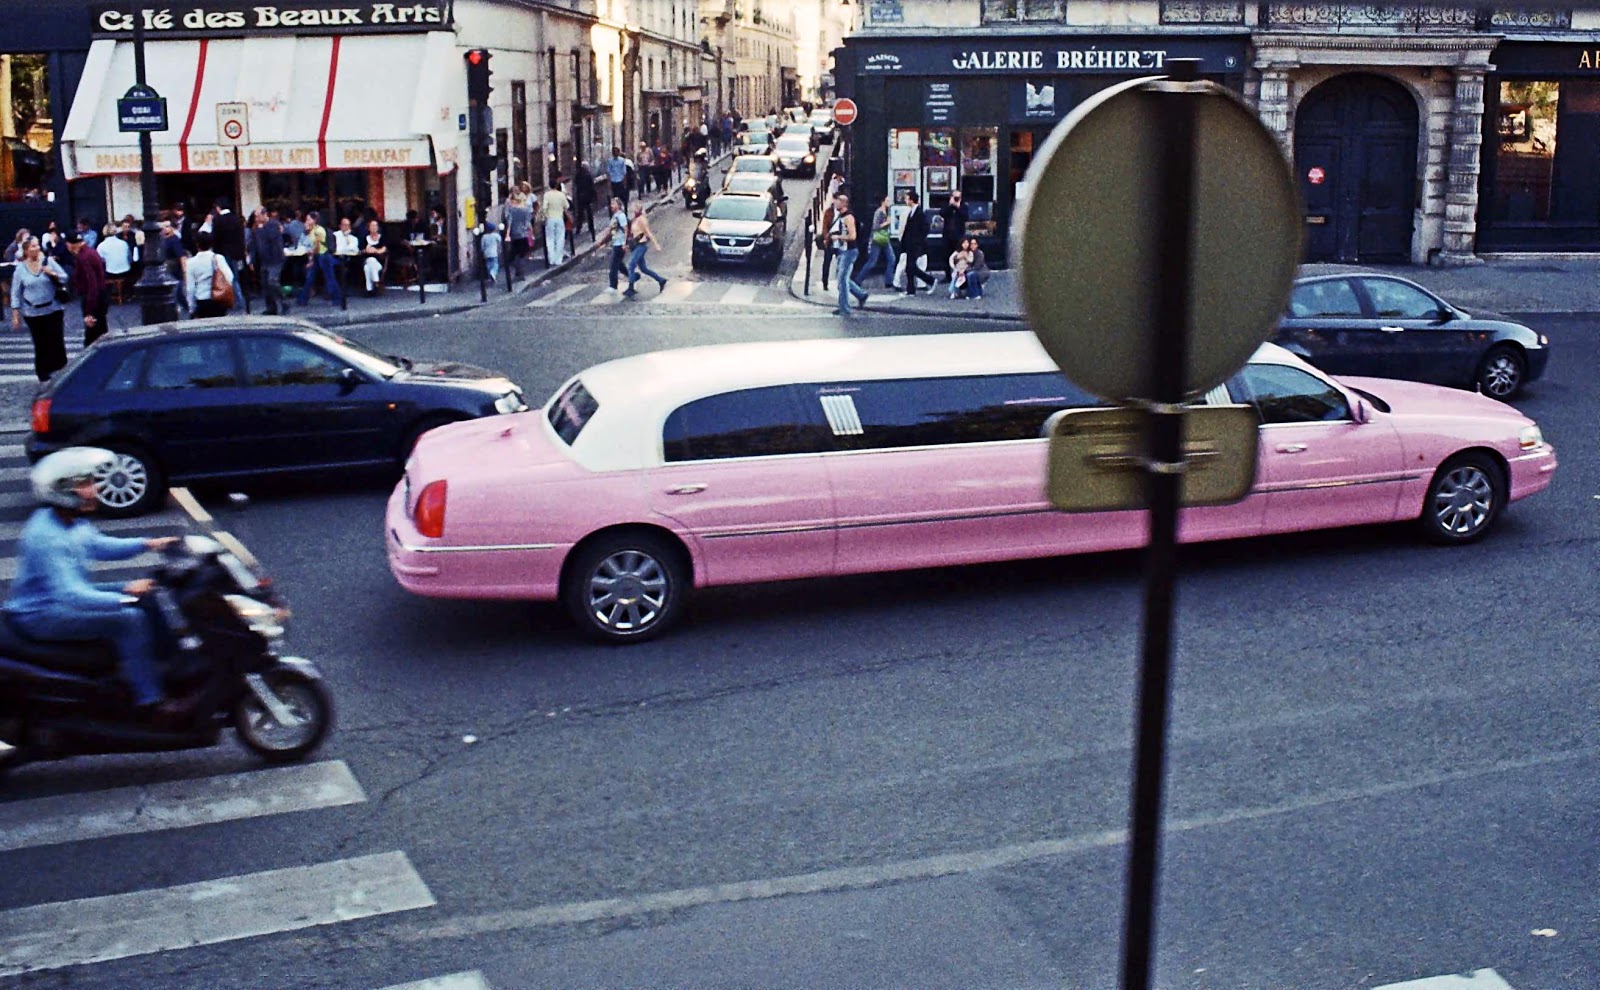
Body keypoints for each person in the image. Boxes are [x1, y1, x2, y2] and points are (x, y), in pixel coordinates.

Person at [5, 447, 182, 721]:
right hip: (42, 614)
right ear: (62, 491)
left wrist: (148, 544)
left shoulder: (67, 520)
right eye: (86, 484)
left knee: (146, 598)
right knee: (129, 620)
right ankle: (150, 700)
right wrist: (123, 596)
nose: (96, 488)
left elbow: (99, 546)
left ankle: (171, 667)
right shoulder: (49, 538)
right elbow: (72, 596)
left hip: (56, 601)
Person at [8, 237, 70, 380]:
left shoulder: (48, 262)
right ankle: (43, 375)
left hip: (53, 309)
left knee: (57, 342)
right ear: (26, 250)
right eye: (32, 246)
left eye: (37, 246)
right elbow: (15, 293)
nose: (36, 249)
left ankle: (62, 373)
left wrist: (52, 273)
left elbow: (65, 278)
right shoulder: (20, 269)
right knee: (40, 344)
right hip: (33, 313)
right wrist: (16, 315)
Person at [65, 233, 110, 346]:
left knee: (92, 338)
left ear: (70, 245)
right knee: (100, 333)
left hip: (93, 299)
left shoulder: (83, 257)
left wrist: (89, 311)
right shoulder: (90, 252)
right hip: (100, 297)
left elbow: (92, 284)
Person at [829, 192, 869, 317]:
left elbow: (853, 236)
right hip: (843, 250)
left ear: (843, 203)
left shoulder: (848, 217)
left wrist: (838, 236)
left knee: (842, 280)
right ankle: (861, 294)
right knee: (842, 278)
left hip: (849, 251)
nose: (834, 203)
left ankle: (845, 308)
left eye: (836, 201)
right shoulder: (842, 216)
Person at [296, 212, 342, 307]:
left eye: (309, 219)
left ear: (315, 220)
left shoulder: (318, 230)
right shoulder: (314, 230)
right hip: (319, 255)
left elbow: (317, 245)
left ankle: (337, 298)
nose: (307, 221)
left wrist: (312, 255)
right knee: (312, 277)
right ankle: (303, 299)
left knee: (329, 278)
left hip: (323, 255)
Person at [187, 230, 235, 319]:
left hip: (202, 299)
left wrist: (191, 307)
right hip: (218, 298)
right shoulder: (218, 258)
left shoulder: (190, 263)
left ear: (197, 244)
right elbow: (229, 276)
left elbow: (190, 287)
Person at [623, 203, 667, 297]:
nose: (632, 210)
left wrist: (656, 244)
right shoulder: (635, 219)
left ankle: (631, 288)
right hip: (636, 246)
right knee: (643, 269)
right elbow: (633, 234)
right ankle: (661, 280)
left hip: (641, 246)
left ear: (638, 209)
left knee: (631, 265)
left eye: (633, 208)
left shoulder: (642, 220)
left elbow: (648, 233)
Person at [249, 208, 286, 314]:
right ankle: (270, 307)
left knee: (272, 281)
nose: (256, 219)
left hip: (275, 258)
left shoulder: (274, 225)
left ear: (264, 215)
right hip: (264, 260)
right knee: (265, 285)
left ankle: (282, 301)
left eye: (258, 216)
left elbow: (271, 238)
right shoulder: (256, 228)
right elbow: (254, 245)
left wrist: (260, 229)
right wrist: (252, 260)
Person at [899, 191, 935, 295]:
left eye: (906, 198)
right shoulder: (911, 212)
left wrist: (918, 240)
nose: (905, 201)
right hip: (909, 244)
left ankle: (930, 280)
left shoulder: (919, 213)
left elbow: (925, 228)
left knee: (911, 266)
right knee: (909, 267)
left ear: (911, 200)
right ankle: (910, 290)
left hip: (915, 244)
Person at [859, 194, 897, 287]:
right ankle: (858, 280)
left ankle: (888, 281)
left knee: (892, 259)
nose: (889, 202)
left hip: (884, 238)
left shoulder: (886, 212)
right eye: (888, 200)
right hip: (877, 238)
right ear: (883, 201)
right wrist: (887, 223)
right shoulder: (879, 212)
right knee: (872, 261)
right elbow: (875, 226)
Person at [598, 197, 629, 292]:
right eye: (611, 204)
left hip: (620, 244)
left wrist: (625, 243)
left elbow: (626, 229)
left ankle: (613, 286)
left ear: (619, 205)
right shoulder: (615, 216)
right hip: (616, 243)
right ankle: (632, 276)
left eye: (613, 204)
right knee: (619, 265)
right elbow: (613, 231)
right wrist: (605, 242)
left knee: (613, 265)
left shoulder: (621, 216)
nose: (611, 206)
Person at [938, 190, 969, 278]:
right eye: (954, 197)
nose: (956, 199)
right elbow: (942, 213)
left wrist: (958, 207)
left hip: (958, 235)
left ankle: (960, 274)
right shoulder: (947, 205)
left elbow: (965, 217)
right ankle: (947, 275)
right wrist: (950, 205)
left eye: (958, 197)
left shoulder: (963, 206)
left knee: (959, 256)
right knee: (946, 255)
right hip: (947, 235)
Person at [539, 177, 570, 266]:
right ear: (557, 185)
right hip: (559, 218)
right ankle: (558, 259)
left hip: (550, 219)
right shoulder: (561, 195)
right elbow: (566, 206)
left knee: (550, 239)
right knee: (560, 238)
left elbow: (544, 208)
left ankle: (551, 259)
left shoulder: (547, 195)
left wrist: (544, 217)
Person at [504, 191, 534, 280]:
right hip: (523, 234)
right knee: (522, 254)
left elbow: (509, 223)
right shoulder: (525, 210)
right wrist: (531, 233)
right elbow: (528, 223)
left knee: (514, 254)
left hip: (514, 234)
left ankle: (518, 272)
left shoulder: (511, 210)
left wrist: (507, 234)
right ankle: (521, 273)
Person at [332, 217, 361, 297]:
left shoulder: (353, 238)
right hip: (336, 258)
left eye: (348, 225)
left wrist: (347, 238)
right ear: (340, 226)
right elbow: (336, 248)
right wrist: (346, 245)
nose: (346, 227)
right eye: (344, 225)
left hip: (349, 259)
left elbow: (355, 249)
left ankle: (347, 289)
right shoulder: (335, 235)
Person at [361, 219, 388, 296]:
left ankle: (369, 289)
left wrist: (374, 250)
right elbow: (361, 251)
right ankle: (376, 281)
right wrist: (366, 250)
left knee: (367, 267)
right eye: (372, 225)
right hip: (367, 260)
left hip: (379, 263)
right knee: (370, 260)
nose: (374, 227)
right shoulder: (365, 239)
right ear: (368, 228)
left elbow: (383, 249)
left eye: (375, 225)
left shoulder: (382, 238)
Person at [573, 160, 597, 238]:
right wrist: (594, 196)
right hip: (588, 197)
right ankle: (591, 228)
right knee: (589, 213)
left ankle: (578, 229)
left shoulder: (578, 174)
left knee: (580, 213)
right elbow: (592, 186)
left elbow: (575, 183)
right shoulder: (588, 175)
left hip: (580, 196)